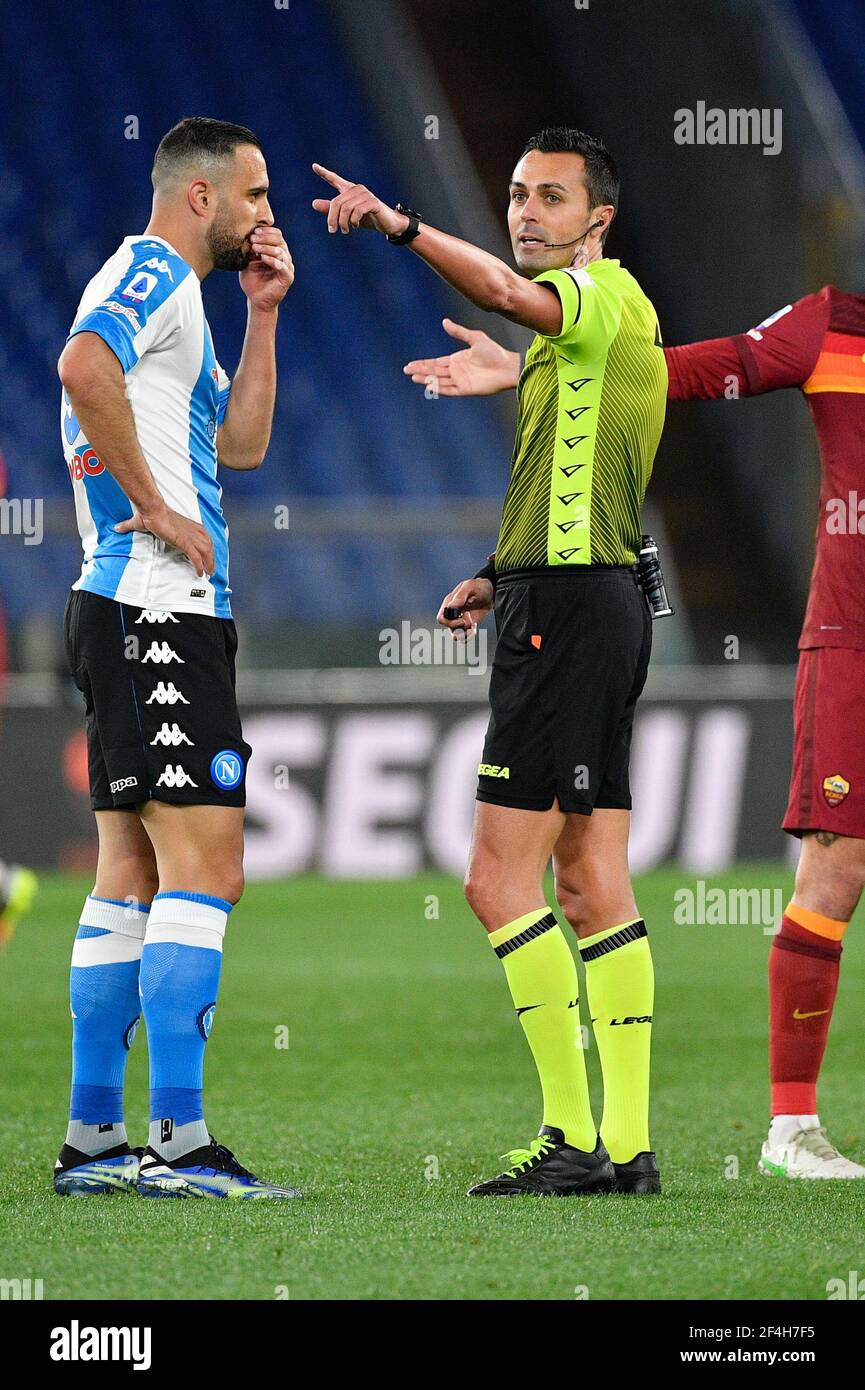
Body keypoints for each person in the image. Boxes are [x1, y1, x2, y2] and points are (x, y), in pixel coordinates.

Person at [314, 127, 666, 1195]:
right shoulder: (579, 341)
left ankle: (571, 1138)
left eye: (550, 199)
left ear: (596, 221)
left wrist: (401, 225)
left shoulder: (599, 297)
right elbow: (565, 467)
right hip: (583, 598)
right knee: (590, 878)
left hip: (568, 615)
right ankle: (629, 1144)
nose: (525, 214)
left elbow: (519, 297)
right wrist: (495, 569)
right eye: (516, 194)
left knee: (493, 881)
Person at [55, 117, 298, 1198]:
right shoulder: (152, 268)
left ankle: (96, 1140)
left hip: (128, 610)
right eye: (252, 195)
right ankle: (181, 1144)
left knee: (131, 876)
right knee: (210, 869)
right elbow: (79, 367)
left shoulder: (190, 299)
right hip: (158, 610)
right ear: (200, 196)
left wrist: (263, 318)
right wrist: (155, 507)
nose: (265, 215)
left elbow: (237, 448)